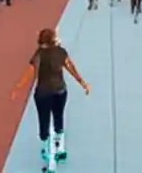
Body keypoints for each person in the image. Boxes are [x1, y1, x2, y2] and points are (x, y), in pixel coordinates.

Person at [9, 28, 90, 171]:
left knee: (44, 122)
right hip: (60, 91)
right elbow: (71, 67)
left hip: (43, 93)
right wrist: (82, 82)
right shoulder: (61, 52)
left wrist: (17, 87)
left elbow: (29, 73)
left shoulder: (39, 55)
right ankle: (61, 149)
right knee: (59, 117)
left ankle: (50, 158)